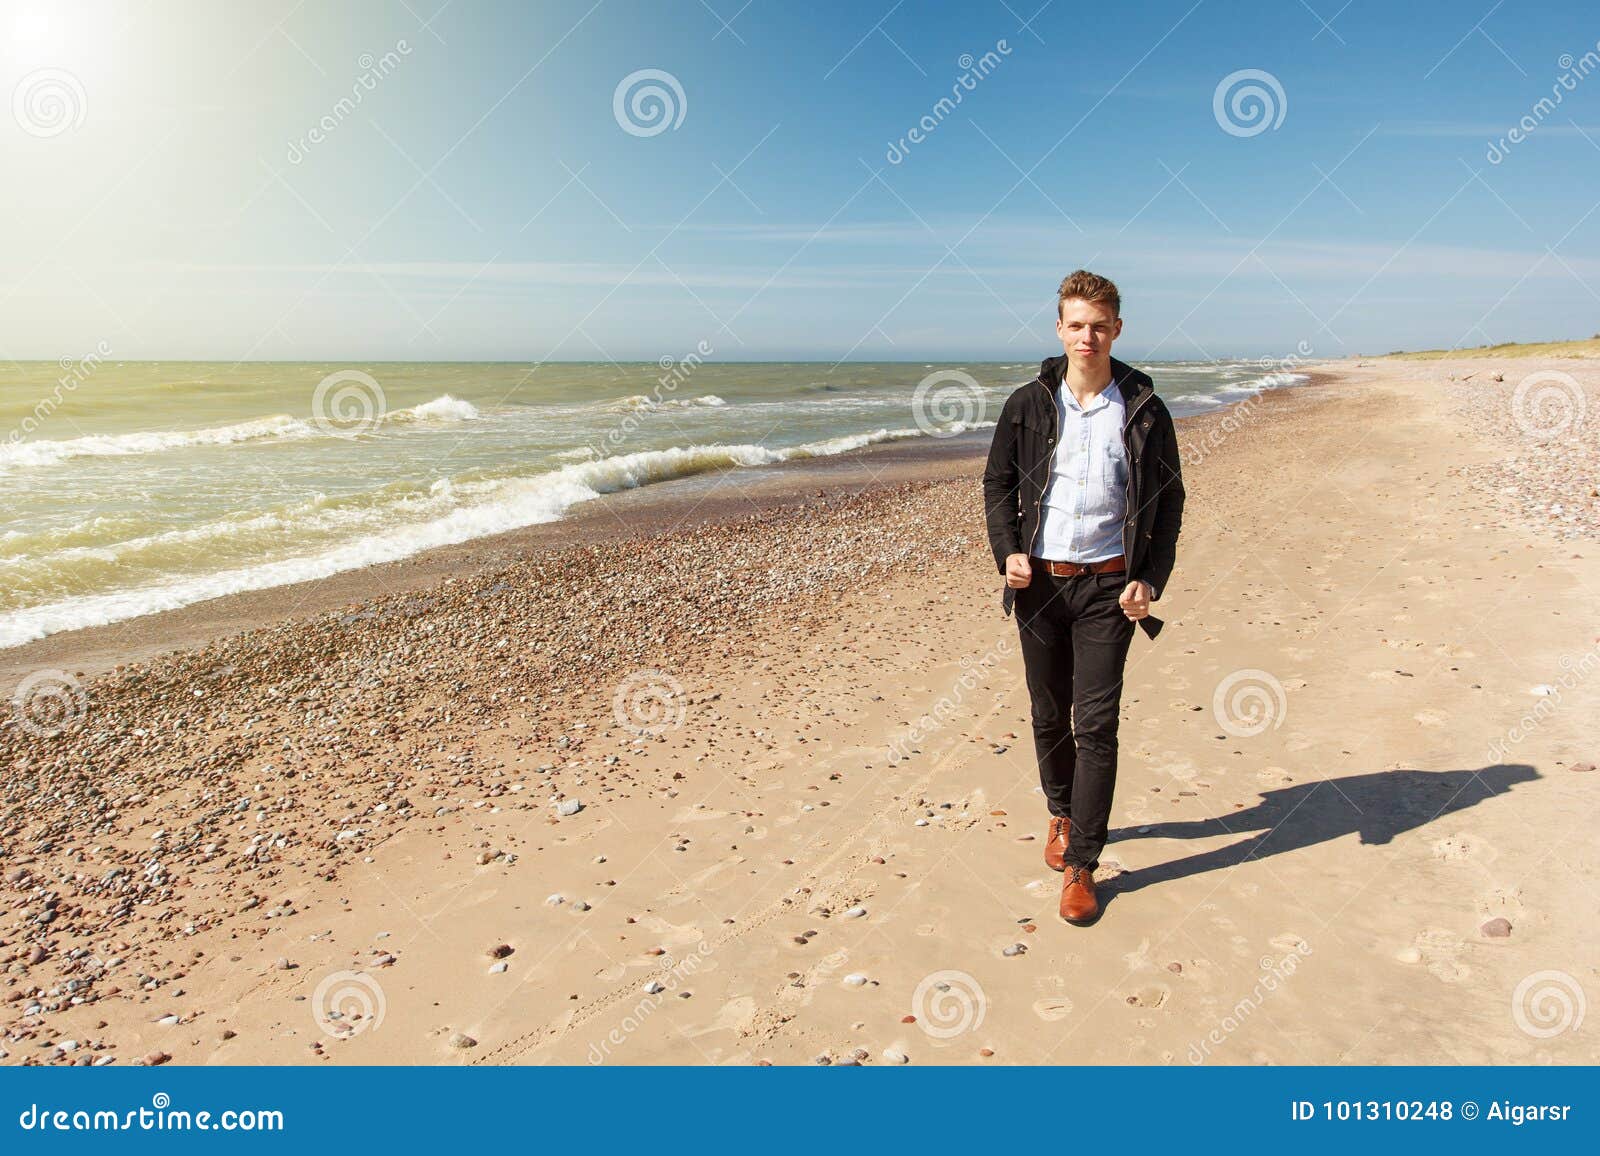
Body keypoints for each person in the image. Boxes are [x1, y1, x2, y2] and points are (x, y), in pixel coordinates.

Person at [981, 269, 1185, 926]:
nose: (1087, 336)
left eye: (1099, 325)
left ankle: (1083, 863)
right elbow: (997, 485)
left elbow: (1170, 502)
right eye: (1076, 324)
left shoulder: (1146, 409)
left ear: (1116, 329)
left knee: (1095, 724)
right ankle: (1061, 814)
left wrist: (1150, 579)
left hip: (1108, 587)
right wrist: (1007, 551)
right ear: (1059, 329)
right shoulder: (1028, 404)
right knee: (1048, 714)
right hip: (1039, 583)